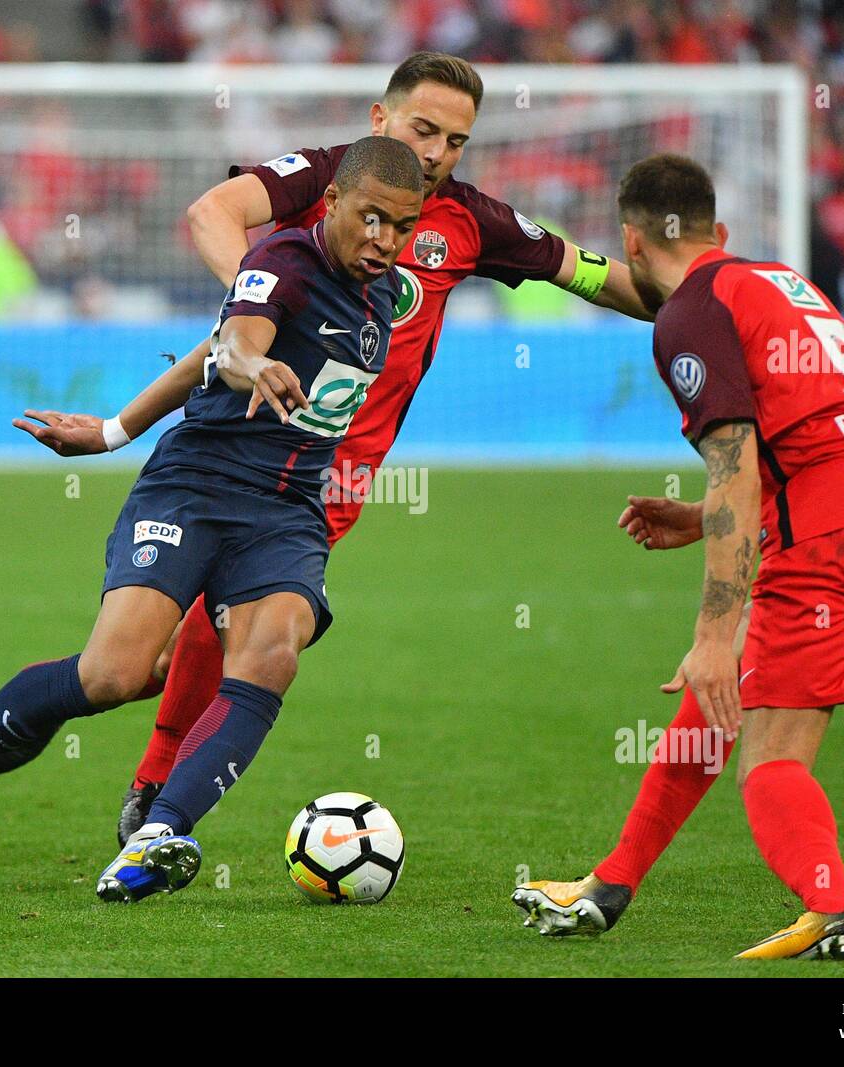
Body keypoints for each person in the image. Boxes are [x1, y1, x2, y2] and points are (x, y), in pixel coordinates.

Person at [0, 136, 425, 904]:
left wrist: (115, 426)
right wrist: (247, 366)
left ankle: (160, 832)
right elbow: (239, 339)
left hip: (285, 511)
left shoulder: (385, 295)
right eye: (372, 218)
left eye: (402, 225)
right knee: (116, 675)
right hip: (194, 486)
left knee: (274, 650)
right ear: (333, 204)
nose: (385, 239)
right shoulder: (282, 263)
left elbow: (207, 349)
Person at [110, 50, 654, 844]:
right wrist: (258, 299)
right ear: (381, 119)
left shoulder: (474, 222)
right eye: (424, 129)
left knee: (220, 624)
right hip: (233, 436)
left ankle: (154, 789)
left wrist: (704, 293)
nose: (436, 153)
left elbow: (599, 278)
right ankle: (137, 721)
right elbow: (210, 213)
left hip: (329, 473)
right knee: (152, 656)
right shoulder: (325, 177)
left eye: (456, 141)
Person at [513, 154, 844, 960]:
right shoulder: (778, 282)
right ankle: (611, 882)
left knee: (767, 756)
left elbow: (735, 465)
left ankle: (835, 909)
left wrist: (711, 635)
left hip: (834, 538)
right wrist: (699, 517)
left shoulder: (689, 314)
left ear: (632, 243)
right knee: (727, 696)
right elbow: (805, 434)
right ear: (718, 232)